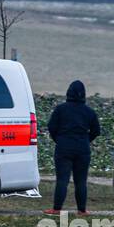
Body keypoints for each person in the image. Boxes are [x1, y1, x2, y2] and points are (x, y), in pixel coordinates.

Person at [45, 79, 101, 215]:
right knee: (81, 181)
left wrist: (58, 140)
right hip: (82, 148)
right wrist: (86, 140)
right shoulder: (89, 112)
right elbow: (96, 131)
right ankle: (82, 210)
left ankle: (56, 209)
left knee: (62, 180)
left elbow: (51, 127)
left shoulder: (60, 109)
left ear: (68, 92)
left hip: (64, 147)